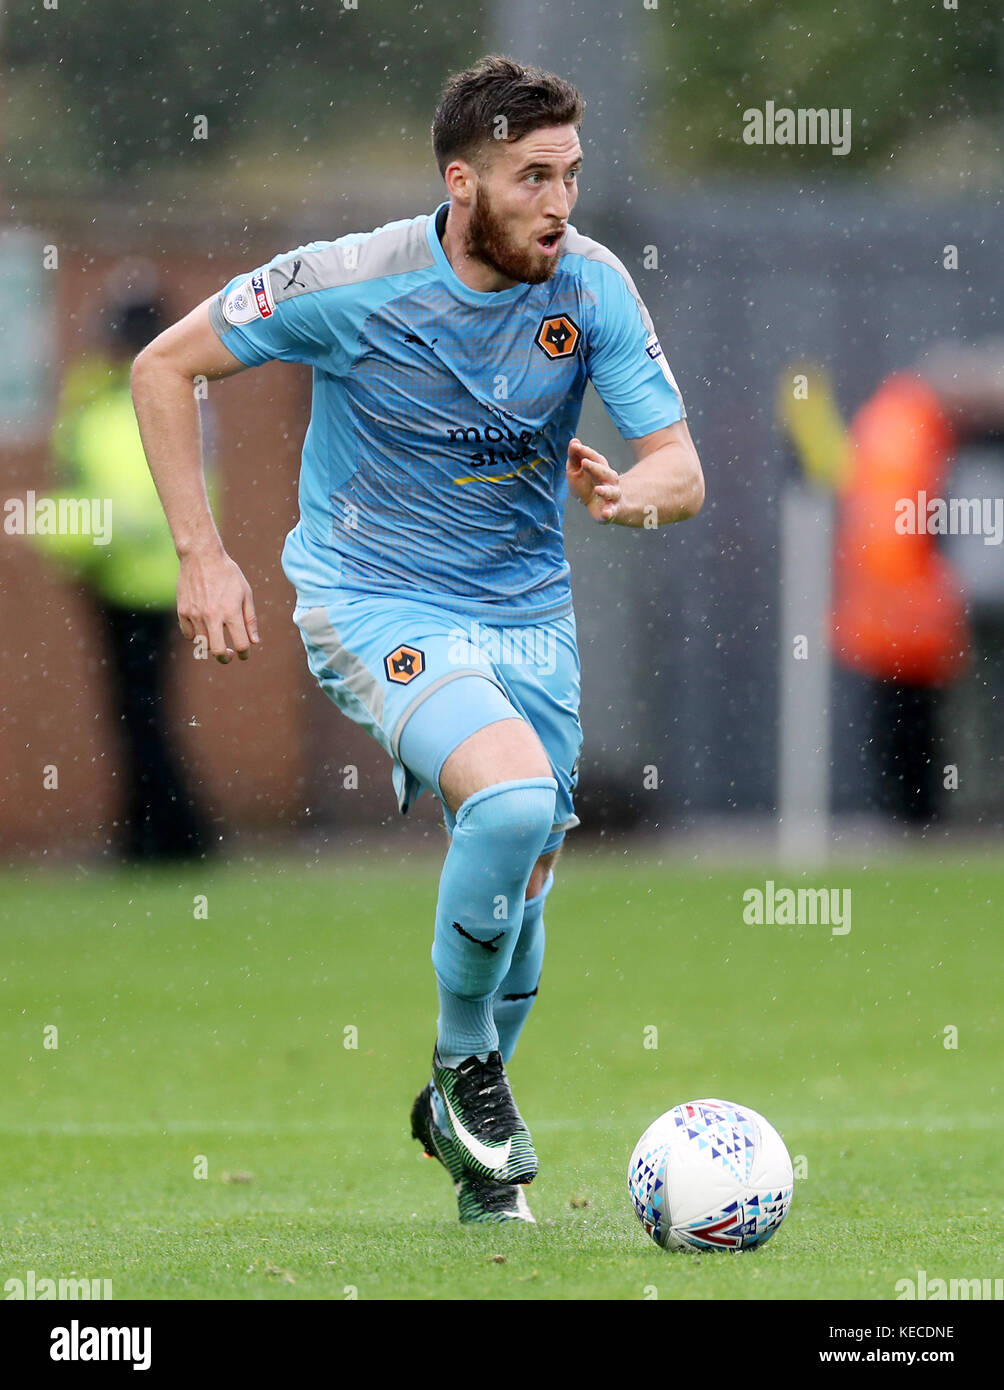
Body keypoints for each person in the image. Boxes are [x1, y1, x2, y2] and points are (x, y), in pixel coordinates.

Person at [131, 56, 704, 1224]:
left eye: (572, 175)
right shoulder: (349, 280)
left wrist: (638, 493)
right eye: (531, 177)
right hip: (373, 597)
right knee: (504, 803)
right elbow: (163, 365)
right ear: (462, 180)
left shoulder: (588, 287)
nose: (560, 203)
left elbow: (681, 465)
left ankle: (481, 1188)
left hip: (528, 616)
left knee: (528, 869)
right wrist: (202, 551)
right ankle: (459, 1072)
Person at [40, 282, 212, 861]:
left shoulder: (128, 400)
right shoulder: (100, 399)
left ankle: (171, 834)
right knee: (135, 716)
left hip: (149, 587)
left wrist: (84, 536)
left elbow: (118, 502)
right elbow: (79, 490)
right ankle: (153, 833)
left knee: (140, 716)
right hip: (119, 585)